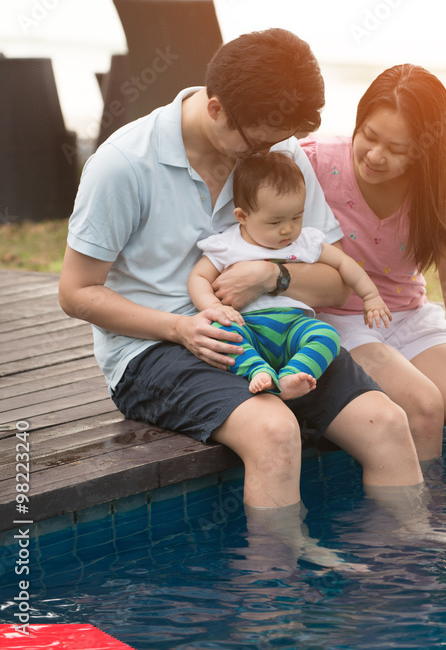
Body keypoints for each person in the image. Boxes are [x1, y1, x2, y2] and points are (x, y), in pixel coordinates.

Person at [58, 30, 423, 523]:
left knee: (388, 424)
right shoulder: (123, 165)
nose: (270, 152)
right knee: (275, 431)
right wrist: (181, 328)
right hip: (153, 348)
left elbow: (336, 281)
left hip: (274, 329)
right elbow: (76, 292)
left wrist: (272, 276)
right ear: (216, 109)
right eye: (258, 141)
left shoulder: (279, 148)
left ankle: (402, 565)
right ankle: (276, 573)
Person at [301, 63, 446, 467]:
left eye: (397, 149)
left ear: (423, 150)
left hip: (409, 317)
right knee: (424, 407)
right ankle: (427, 510)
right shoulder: (313, 164)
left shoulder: (442, 192)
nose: (375, 155)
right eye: (369, 135)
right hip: (341, 319)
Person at [188, 152, 393, 398]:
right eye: (275, 222)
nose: (288, 229)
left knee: (327, 336)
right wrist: (213, 307)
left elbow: (343, 263)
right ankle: (258, 371)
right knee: (221, 334)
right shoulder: (227, 244)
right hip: (248, 327)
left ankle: (291, 377)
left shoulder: (305, 241)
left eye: (296, 217)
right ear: (243, 216)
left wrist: (370, 295)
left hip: (294, 327)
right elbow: (199, 277)